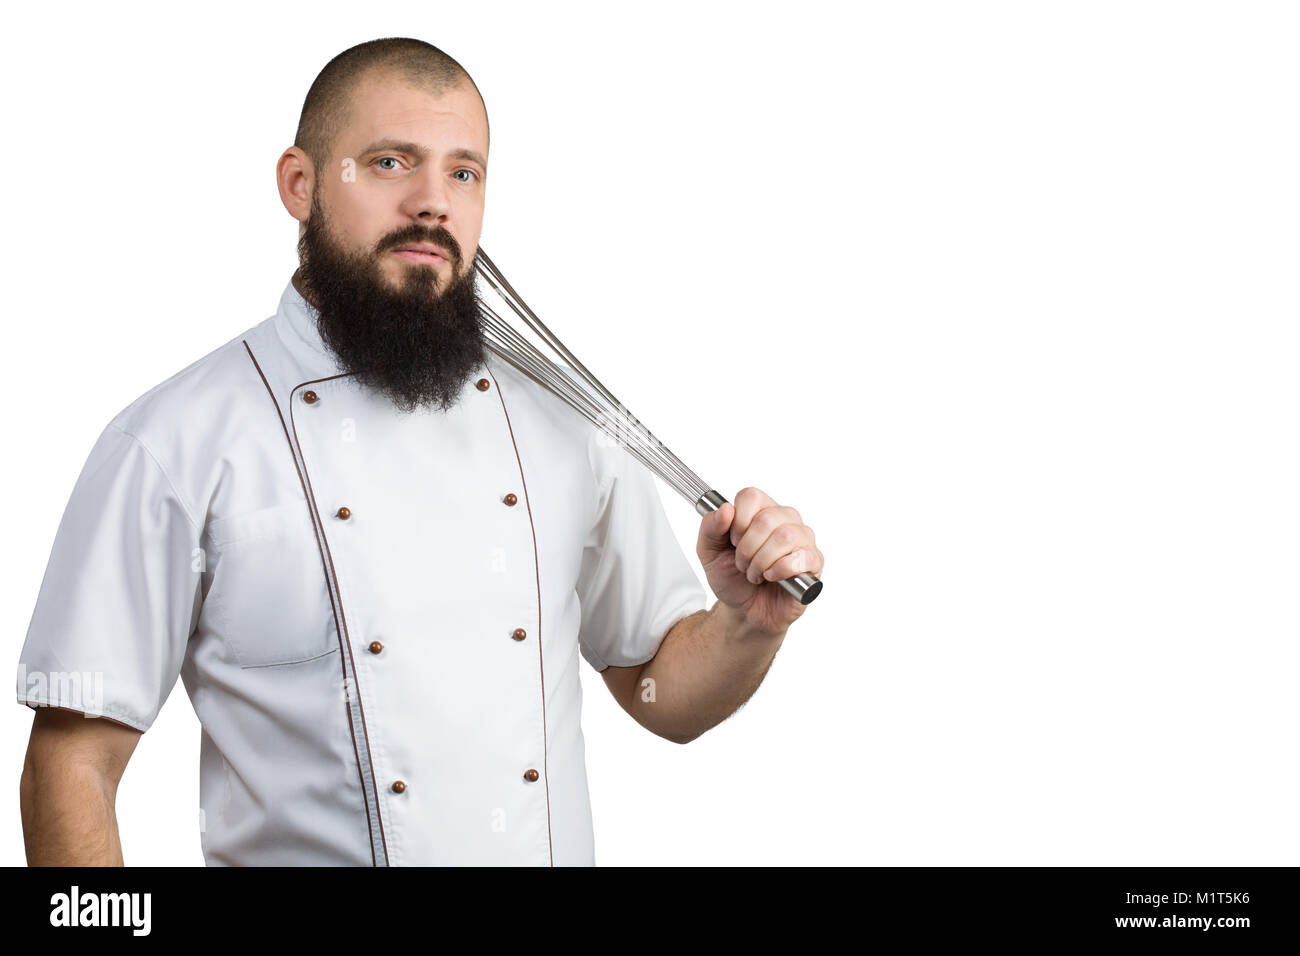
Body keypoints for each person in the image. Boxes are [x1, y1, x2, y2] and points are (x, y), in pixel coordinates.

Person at [16, 37, 824, 866]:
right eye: (392, 162)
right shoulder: (173, 442)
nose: (433, 201)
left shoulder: (569, 419)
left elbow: (660, 691)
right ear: (301, 184)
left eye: (463, 172)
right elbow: (72, 762)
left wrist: (746, 625)